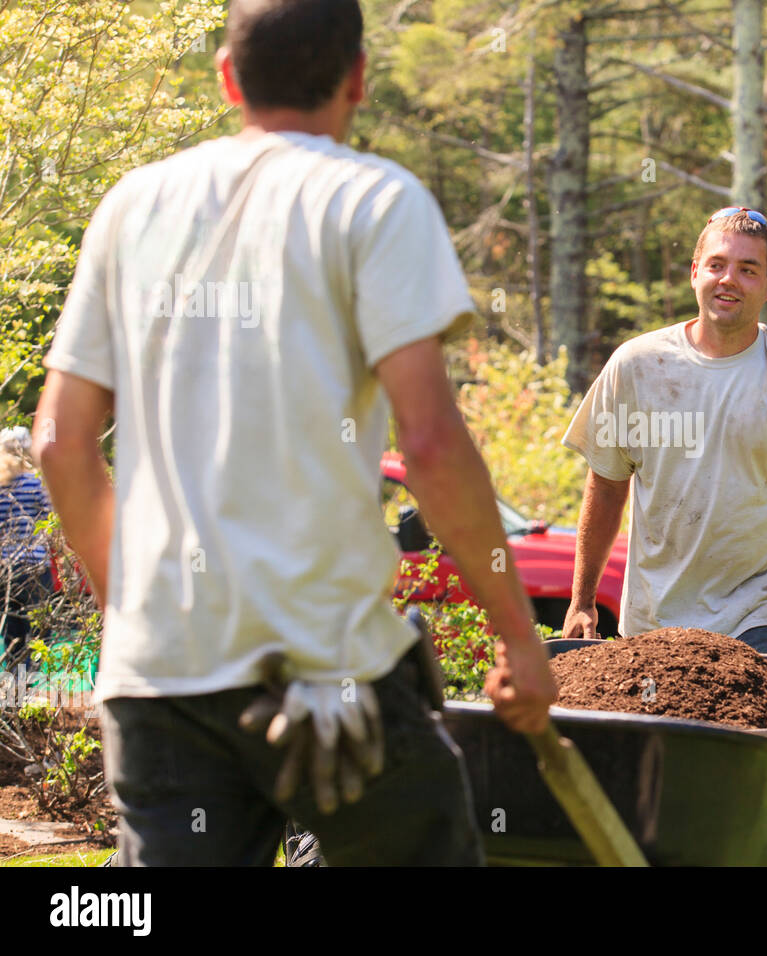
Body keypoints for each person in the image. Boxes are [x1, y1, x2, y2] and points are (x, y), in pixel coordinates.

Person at [34, 0, 555, 866]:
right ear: (357, 79)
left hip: (161, 680)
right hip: (329, 668)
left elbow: (58, 441)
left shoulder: (134, 207)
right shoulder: (377, 202)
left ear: (228, 79)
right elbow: (428, 447)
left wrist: (135, 607)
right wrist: (517, 635)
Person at [561, 207, 767, 669]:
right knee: (661, 743)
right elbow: (605, 488)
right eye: (717, 265)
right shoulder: (636, 367)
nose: (729, 280)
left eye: (748, 270)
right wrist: (581, 600)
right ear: (694, 273)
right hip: (654, 616)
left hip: (765, 611)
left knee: (747, 732)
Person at [0, 426, 53, 666]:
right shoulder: (35, 483)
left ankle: (15, 693)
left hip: (5, 569)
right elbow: (51, 521)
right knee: (41, 634)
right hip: (35, 567)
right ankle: (36, 691)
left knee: (12, 635)